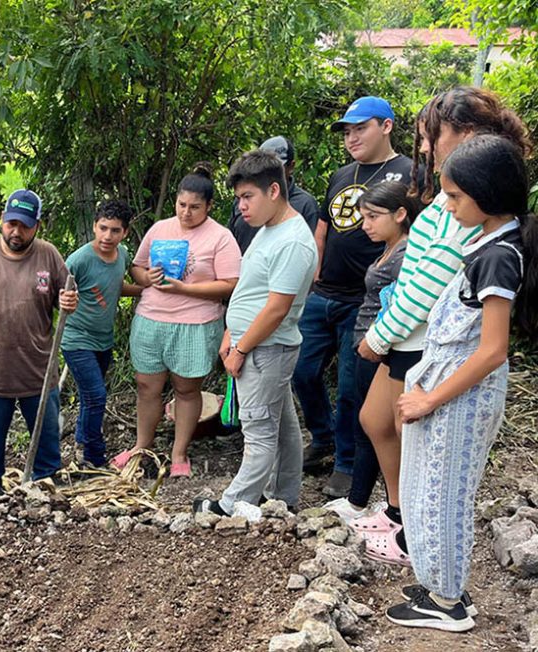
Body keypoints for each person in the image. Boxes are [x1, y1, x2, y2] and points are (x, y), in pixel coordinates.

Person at [350, 87, 531, 566]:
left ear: (466, 135)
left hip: (428, 345)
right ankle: (404, 517)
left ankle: (421, 547)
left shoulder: (482, 220)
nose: (425, 149)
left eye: (432, 137)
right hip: (416, 338)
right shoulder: (467, 201)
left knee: (426, 456)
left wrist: (380, 336)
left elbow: (436, 287)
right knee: (381, 422)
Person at [385, 134, 537, 632]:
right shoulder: (490, 243)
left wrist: (430, 397)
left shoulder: (498, 256)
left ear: (487, 195)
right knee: (430, 486)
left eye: (455, 197)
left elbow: (491, 350)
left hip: (460, 395)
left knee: (444, 492)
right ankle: (439, 584)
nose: (446, 206)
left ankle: (448, 601)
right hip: (448, 387)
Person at [295, 96, 415, 499]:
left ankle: (346, 464)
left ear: (386, 126)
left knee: (351, 386)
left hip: (367, 299)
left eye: (360, 128)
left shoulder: (408, 173)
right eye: (347, 131)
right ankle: (323, 436)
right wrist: (312, 273)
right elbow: (324, 228)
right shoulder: (342, 173)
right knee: (302, 371)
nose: (351, 137)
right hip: (323, 292)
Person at [193, 150, 317, 515]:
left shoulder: (293, 241)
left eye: (248, 197)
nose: (242, 207)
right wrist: (232, 330)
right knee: (281, 425)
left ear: (274, 190)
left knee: (259, 431)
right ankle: (283, 497)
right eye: (239, 199)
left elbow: (278, 307)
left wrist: (242, 347)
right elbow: (251, 288)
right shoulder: (268, 230)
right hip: (256, 345)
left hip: (266, 349)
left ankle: (234, 503)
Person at [113, 166, 242, 477]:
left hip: (195, 324)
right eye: (182, 205)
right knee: (147, 386)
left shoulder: (220, 237)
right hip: (151, 318)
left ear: (209, 206)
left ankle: (179, 452)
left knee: (186, 389)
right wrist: (148, 277)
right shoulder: (160, 229)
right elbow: (137, 268)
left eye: (195, 207)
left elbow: (230, 283)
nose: (186, 213)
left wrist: (186, 288)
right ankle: (142, 445)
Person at [0, 190, 78, 498]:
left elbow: (66, 296)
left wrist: (69, 301)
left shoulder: (48, 255)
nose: (16, 232)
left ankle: (46, 483)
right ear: (2, 220)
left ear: (37, 225)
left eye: (24, 225)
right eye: (11, 223)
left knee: (47, 433)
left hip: (38, 367)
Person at [322, 182, 417, 523]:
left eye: (374, 216)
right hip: (367, 344)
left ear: (401, 214)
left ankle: (363, 500)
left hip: (379, 348)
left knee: (373, 425)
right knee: (370, 422)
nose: (366, 225)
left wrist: (377, 343)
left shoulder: (407, 254)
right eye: (364, 217)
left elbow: (403, 306)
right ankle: (380, 503)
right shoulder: (390, 249)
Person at [61, 200, 142, 468]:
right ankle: (94, 457)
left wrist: (147, 289)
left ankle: (83, 439)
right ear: (95, 227)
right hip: (76, 338)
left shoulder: (123, 255)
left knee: (89, 397)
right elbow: (58, 294)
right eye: (103, 228)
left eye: (115, 231)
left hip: (104, 339)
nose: (108, 236)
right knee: (96, 396)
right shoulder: (79, 260)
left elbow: (116, 286)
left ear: (125, 233)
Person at [228, 136, 320, 253]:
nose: (269, 174)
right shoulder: (242, 201)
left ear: (291, 167)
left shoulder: (305, 205)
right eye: (263, 169)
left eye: (277, 168)